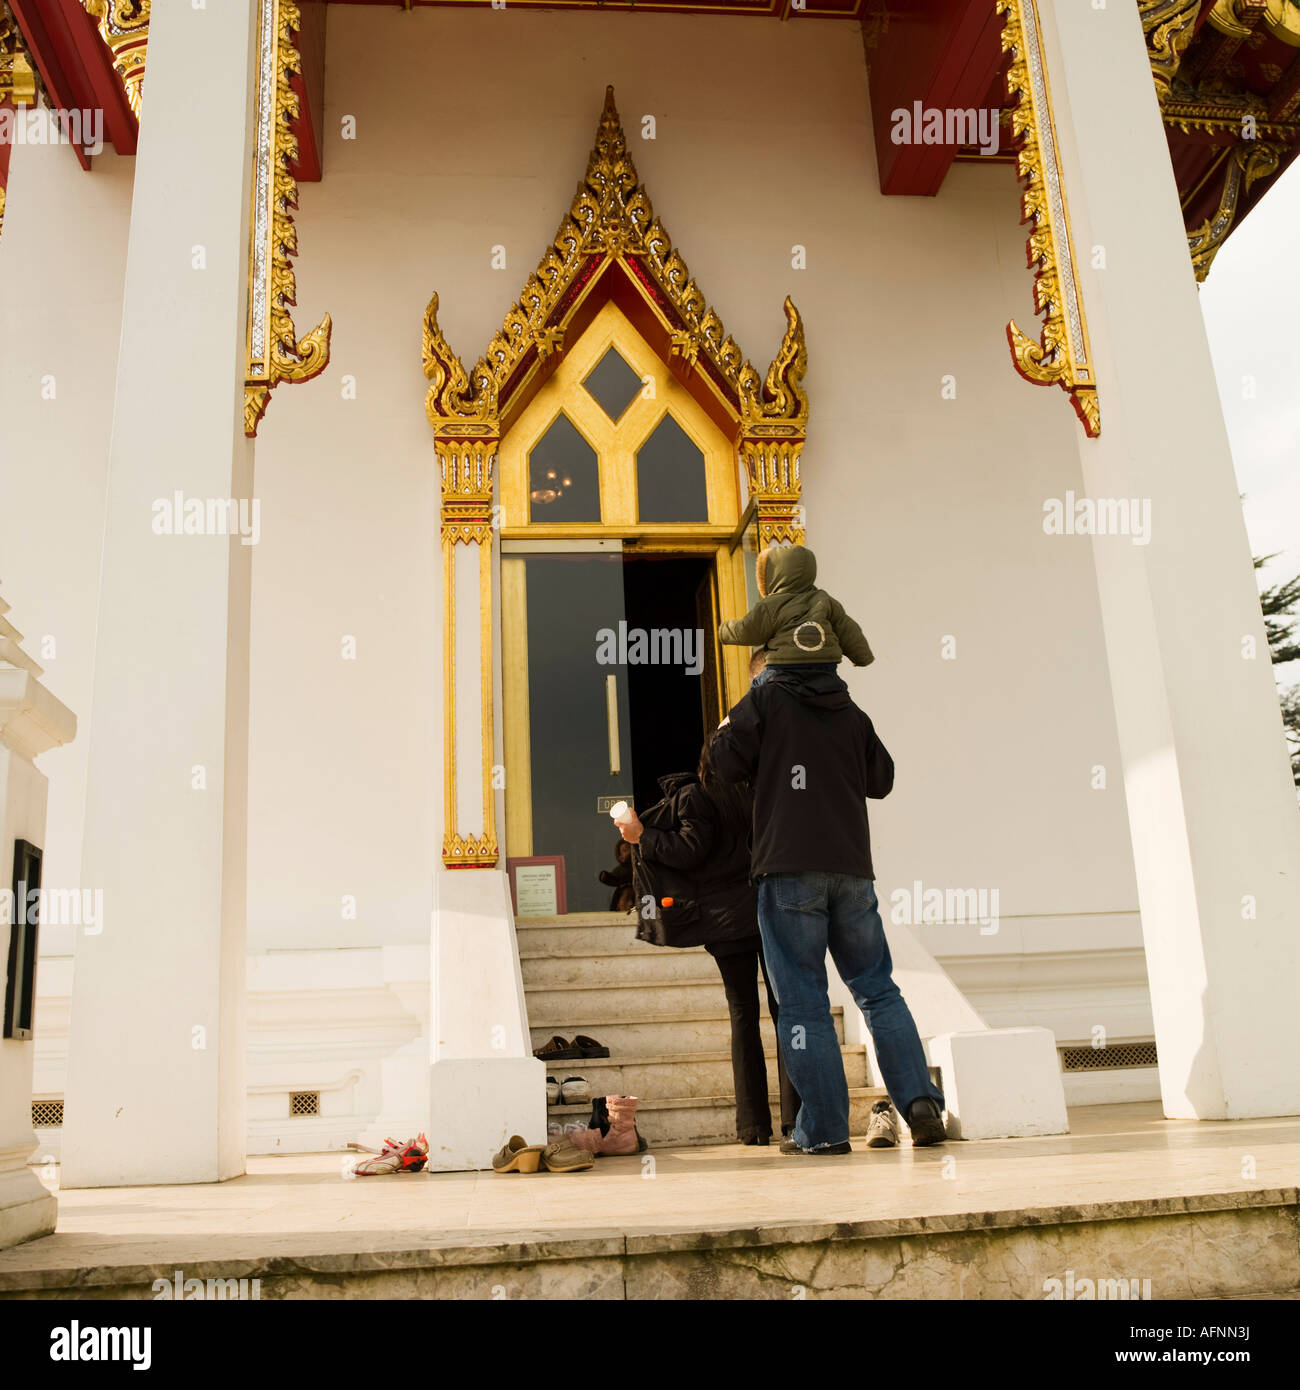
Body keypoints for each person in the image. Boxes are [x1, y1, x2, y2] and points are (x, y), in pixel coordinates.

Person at [710, 662, 946, 1155]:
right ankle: (920, 1105)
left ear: (768, 669)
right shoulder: (848, 709)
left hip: (790, 871)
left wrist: (738, 716)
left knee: (802, 1002)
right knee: (879, 990)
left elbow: (724, 763)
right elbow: (881, 778)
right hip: (852, 871)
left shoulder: (767, 698)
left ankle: (824, 1130)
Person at [616, 741, 799, 1145]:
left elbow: (689, 850)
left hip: (725, 921)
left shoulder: (697, 796)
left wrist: (640, 836)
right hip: (770, 911)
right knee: (785, 1013)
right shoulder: (762, 790)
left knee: (743, 1016)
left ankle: (753, 1127)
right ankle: (796, 1121)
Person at [718, 544, 874, 686]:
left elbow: (749, 630)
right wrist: (862, 657)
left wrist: (723, 631)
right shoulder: (825, 600)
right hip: (825, 666)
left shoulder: (771, 605)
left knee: (758, 687)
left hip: (785, 666)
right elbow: (848, 630)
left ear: (773, 575)